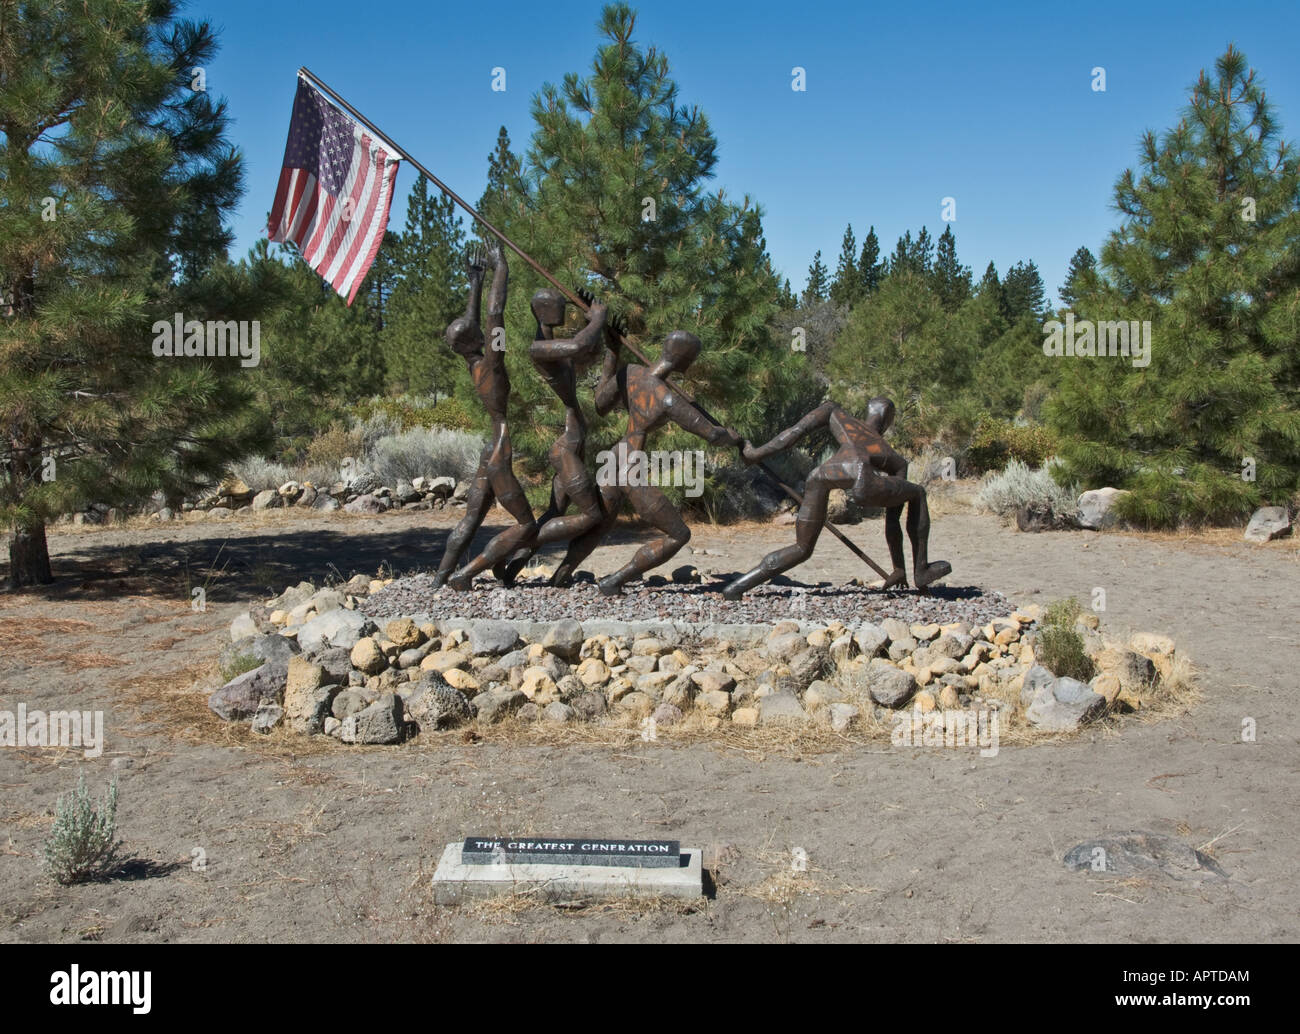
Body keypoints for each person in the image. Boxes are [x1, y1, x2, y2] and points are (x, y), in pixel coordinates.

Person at [552, 329, 743, 594]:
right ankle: (615, 581)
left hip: (614, 459)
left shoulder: (630, 373)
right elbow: (711, 434)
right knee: (679, 535)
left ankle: (560, 575)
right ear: (684, 360)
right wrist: (734, 438)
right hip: (631, 468)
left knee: (599, 525)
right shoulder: (667, 399)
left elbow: (600, 404)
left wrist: (612, 354)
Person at [722, 397, 950, 599]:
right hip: (866, 483)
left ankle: (737, 588)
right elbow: (893, 520)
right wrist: (898, 568)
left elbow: (793, 433)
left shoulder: (837, 414)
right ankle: (921, 571)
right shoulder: (894, 458)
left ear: (868, 410)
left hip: (822, 475)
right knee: (918, 492)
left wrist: (755, 454)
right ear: (887, 421)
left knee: (802, 547)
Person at [432, 241, 538, 590]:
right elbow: (496, 316)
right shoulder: (492, 364)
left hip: (487, 448)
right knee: (526, 525)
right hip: (499, 451)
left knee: (471, 517)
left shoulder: (472, 363)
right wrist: (501, 267)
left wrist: (475, 280)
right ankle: (465, 574)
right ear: (477, 340)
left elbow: (474, 324)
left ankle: (439, 578)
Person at [497, 287, 609, 585]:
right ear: (539, 310)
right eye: (553, 304)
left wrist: (595, 322)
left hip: (575, 441)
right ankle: (501, 552)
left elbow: (587, 348)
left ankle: (509, 570)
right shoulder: (539, 348)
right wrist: (597, 319)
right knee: (592, 515)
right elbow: (576, 346)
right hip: (566, 448)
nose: (560, 307)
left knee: (554, 512)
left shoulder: (555, 345)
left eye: (561, 303)